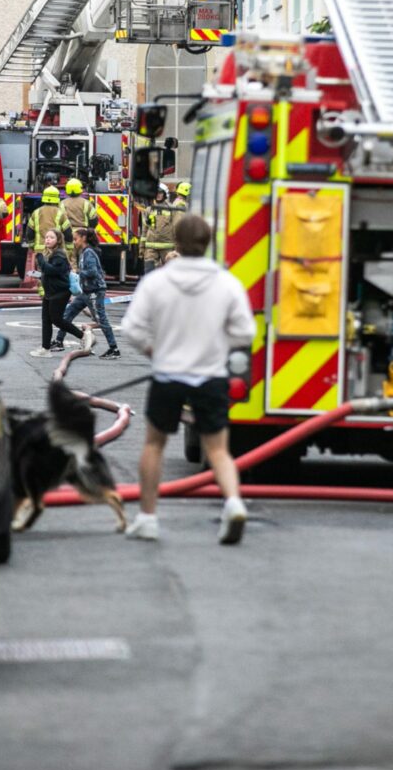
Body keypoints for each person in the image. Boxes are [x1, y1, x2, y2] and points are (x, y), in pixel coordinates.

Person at [120, 214, 256, 545]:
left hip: (168, 374)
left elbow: (132, 329)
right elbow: (246, 331)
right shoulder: (226, 283)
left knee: (155, 444)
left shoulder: (157, 282)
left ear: (176, 243)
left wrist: (155, 350)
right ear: (208, 242)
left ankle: (148, 517)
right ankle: (234, 503)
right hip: (210, 376)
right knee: (218, 450)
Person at [29, 228, 89, 358]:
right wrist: (40, 275)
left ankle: (83, 336)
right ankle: (45, 349)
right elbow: (51, 273)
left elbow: (51, 270)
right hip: (50, 292)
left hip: (60, 293)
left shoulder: (59, 255)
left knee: (57, 320)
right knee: (46, 320)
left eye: (51, 237)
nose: (48, 240)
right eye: (46, 237)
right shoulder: (51, 254)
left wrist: (40, 259)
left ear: (58, 240)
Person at [63, 227, 120, 359]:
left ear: (83, 238)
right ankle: (58, 342)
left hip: (94, 291)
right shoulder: (84, 252)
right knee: (68, 313)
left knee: (101, 319)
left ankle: (114, 348)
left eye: (76, 239)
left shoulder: (88, 253)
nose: (74, 242)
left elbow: (93, 272)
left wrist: (77, 274)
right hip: (86, 291)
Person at [26, 185, 68, 287]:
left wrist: (32, 245)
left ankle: (42, 292)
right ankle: (50, 292)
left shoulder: (36, 212)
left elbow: (30, 231)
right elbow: (68, 231)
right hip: (55, 249)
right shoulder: (60, 213)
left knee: (42, 271)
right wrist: (68, 247)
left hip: (40, 249)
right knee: (53, 271)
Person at [141, 186, 177, 271]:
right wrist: (141, 247)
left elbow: (176, 228)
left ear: (165, 194)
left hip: (168, 247)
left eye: (160, 193)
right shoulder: (149, 210)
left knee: (170, 271)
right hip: (151, 247)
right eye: (156, 193)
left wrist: (177, 247)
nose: (158, 195)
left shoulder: (172, 209)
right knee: (149, 270)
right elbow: (144, 230)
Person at [60, 178, 92, 265]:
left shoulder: (62, 203)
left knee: (71, 259)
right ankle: (83, 276)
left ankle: (73, 274)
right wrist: (90, 229)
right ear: (80, 190)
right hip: (83, 234)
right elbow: (94, 218)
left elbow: (60, 220)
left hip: (69, 233)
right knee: (84, 258)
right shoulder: (86, 203)